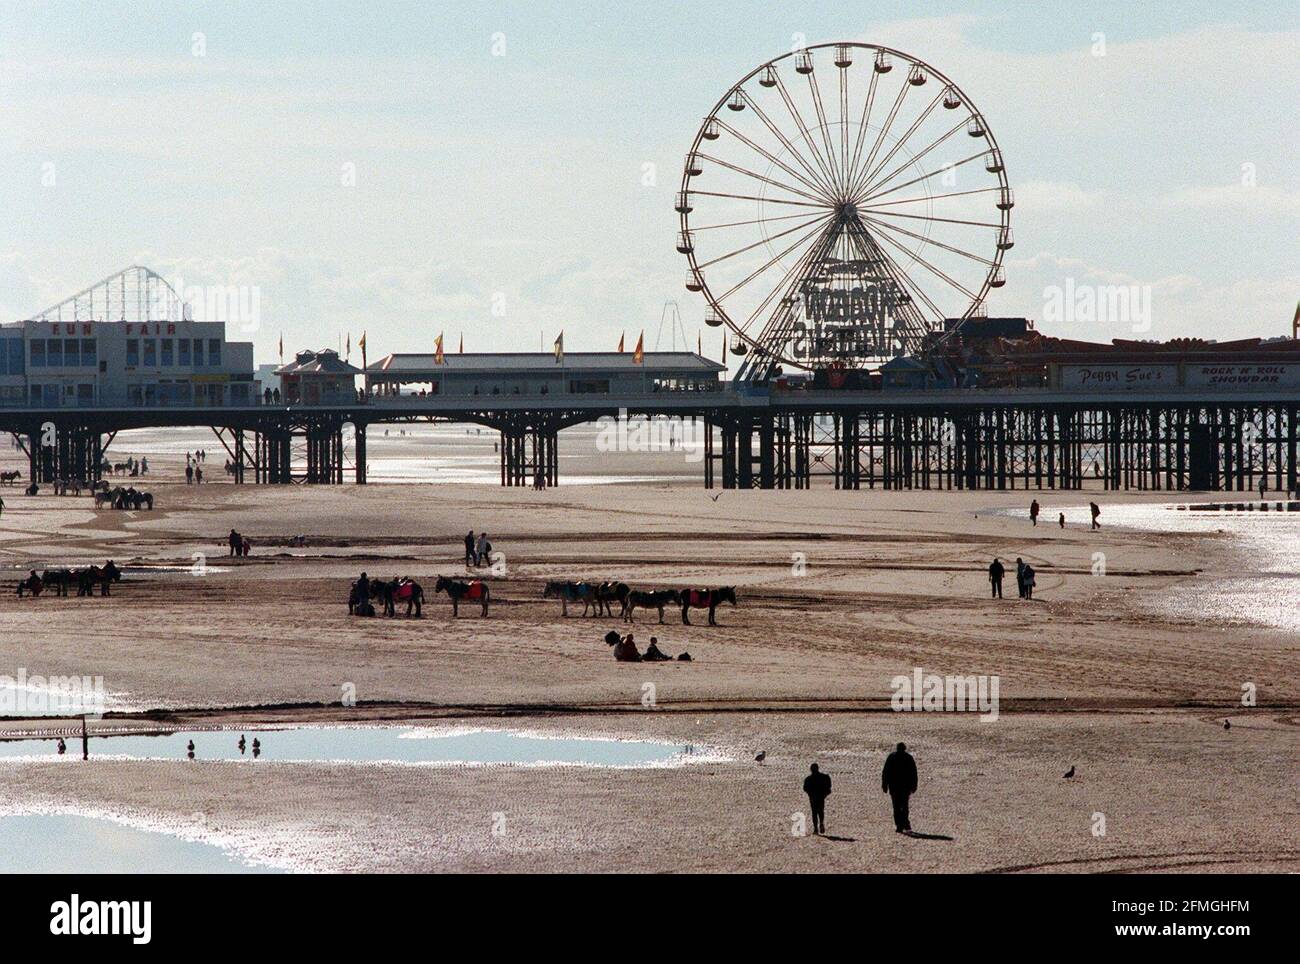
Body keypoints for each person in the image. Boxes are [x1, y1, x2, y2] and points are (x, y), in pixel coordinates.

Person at [881, 742, 918, 833]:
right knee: (904, 806)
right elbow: (913, 773)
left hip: (894, 787)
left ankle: (899, 825)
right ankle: (905, 824)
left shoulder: (892, 757)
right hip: (905, 787)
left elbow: (885, 772)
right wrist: (914, 785)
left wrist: (885, 785)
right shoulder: (908, 758)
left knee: (896, 807)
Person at [802, 763, 832, 835]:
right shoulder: (824, 777)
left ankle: (815, 828)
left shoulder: (808, 779)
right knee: (820, 811)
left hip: (813, 797)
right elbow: (829, 786)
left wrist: (810, 794)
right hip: (821, 797)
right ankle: (821, 823)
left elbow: (805, 788)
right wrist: (824, 794)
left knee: (814, 813)